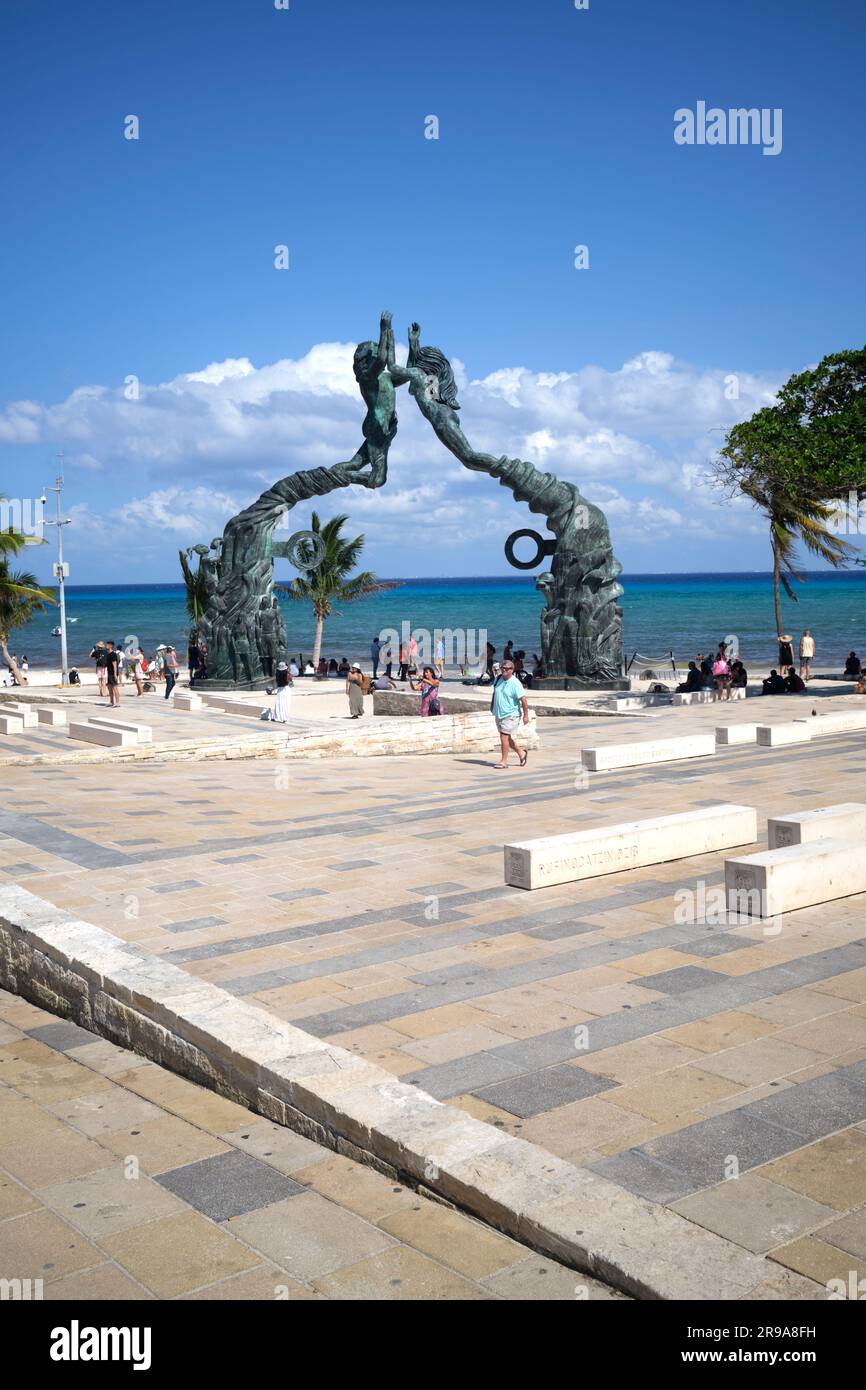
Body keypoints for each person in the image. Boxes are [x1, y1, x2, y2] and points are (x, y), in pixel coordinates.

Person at [490, 657, 530, 768]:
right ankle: (521, 753)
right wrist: (492, 707)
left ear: (512, 670)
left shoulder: (515, 683)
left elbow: (523, 700)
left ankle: (503, 761)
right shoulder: (498, 679)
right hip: (499, 713)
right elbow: (496, 693)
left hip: (511, 714)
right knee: (506, 738)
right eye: (502, 668)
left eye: (507, 669)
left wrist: (526, 716)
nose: (504, 670)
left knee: (504, 736)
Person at [105, 640, 121, 706]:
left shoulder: (113, 654)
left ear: (111, 646)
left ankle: (117, 702)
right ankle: (111, 702)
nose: (106, 645)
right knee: (109, 687)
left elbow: (115, 665)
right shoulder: (108, 654)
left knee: (115, 687)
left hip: (113, 673)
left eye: (107, 644)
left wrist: (115, 674)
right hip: (109, 673)